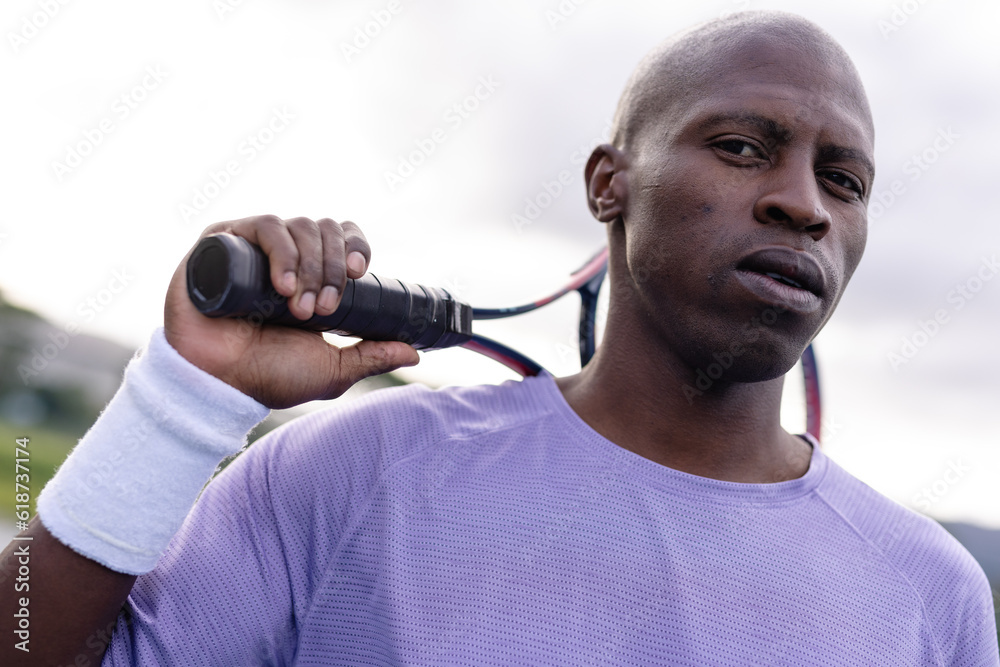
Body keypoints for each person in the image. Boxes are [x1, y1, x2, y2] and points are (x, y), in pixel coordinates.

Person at [3, 10, 998, 666]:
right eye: (742, 148)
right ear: (609, 184)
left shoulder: (933, 594)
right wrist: (179, 402)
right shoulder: (350, 473)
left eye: (844, 181)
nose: (803, 203)